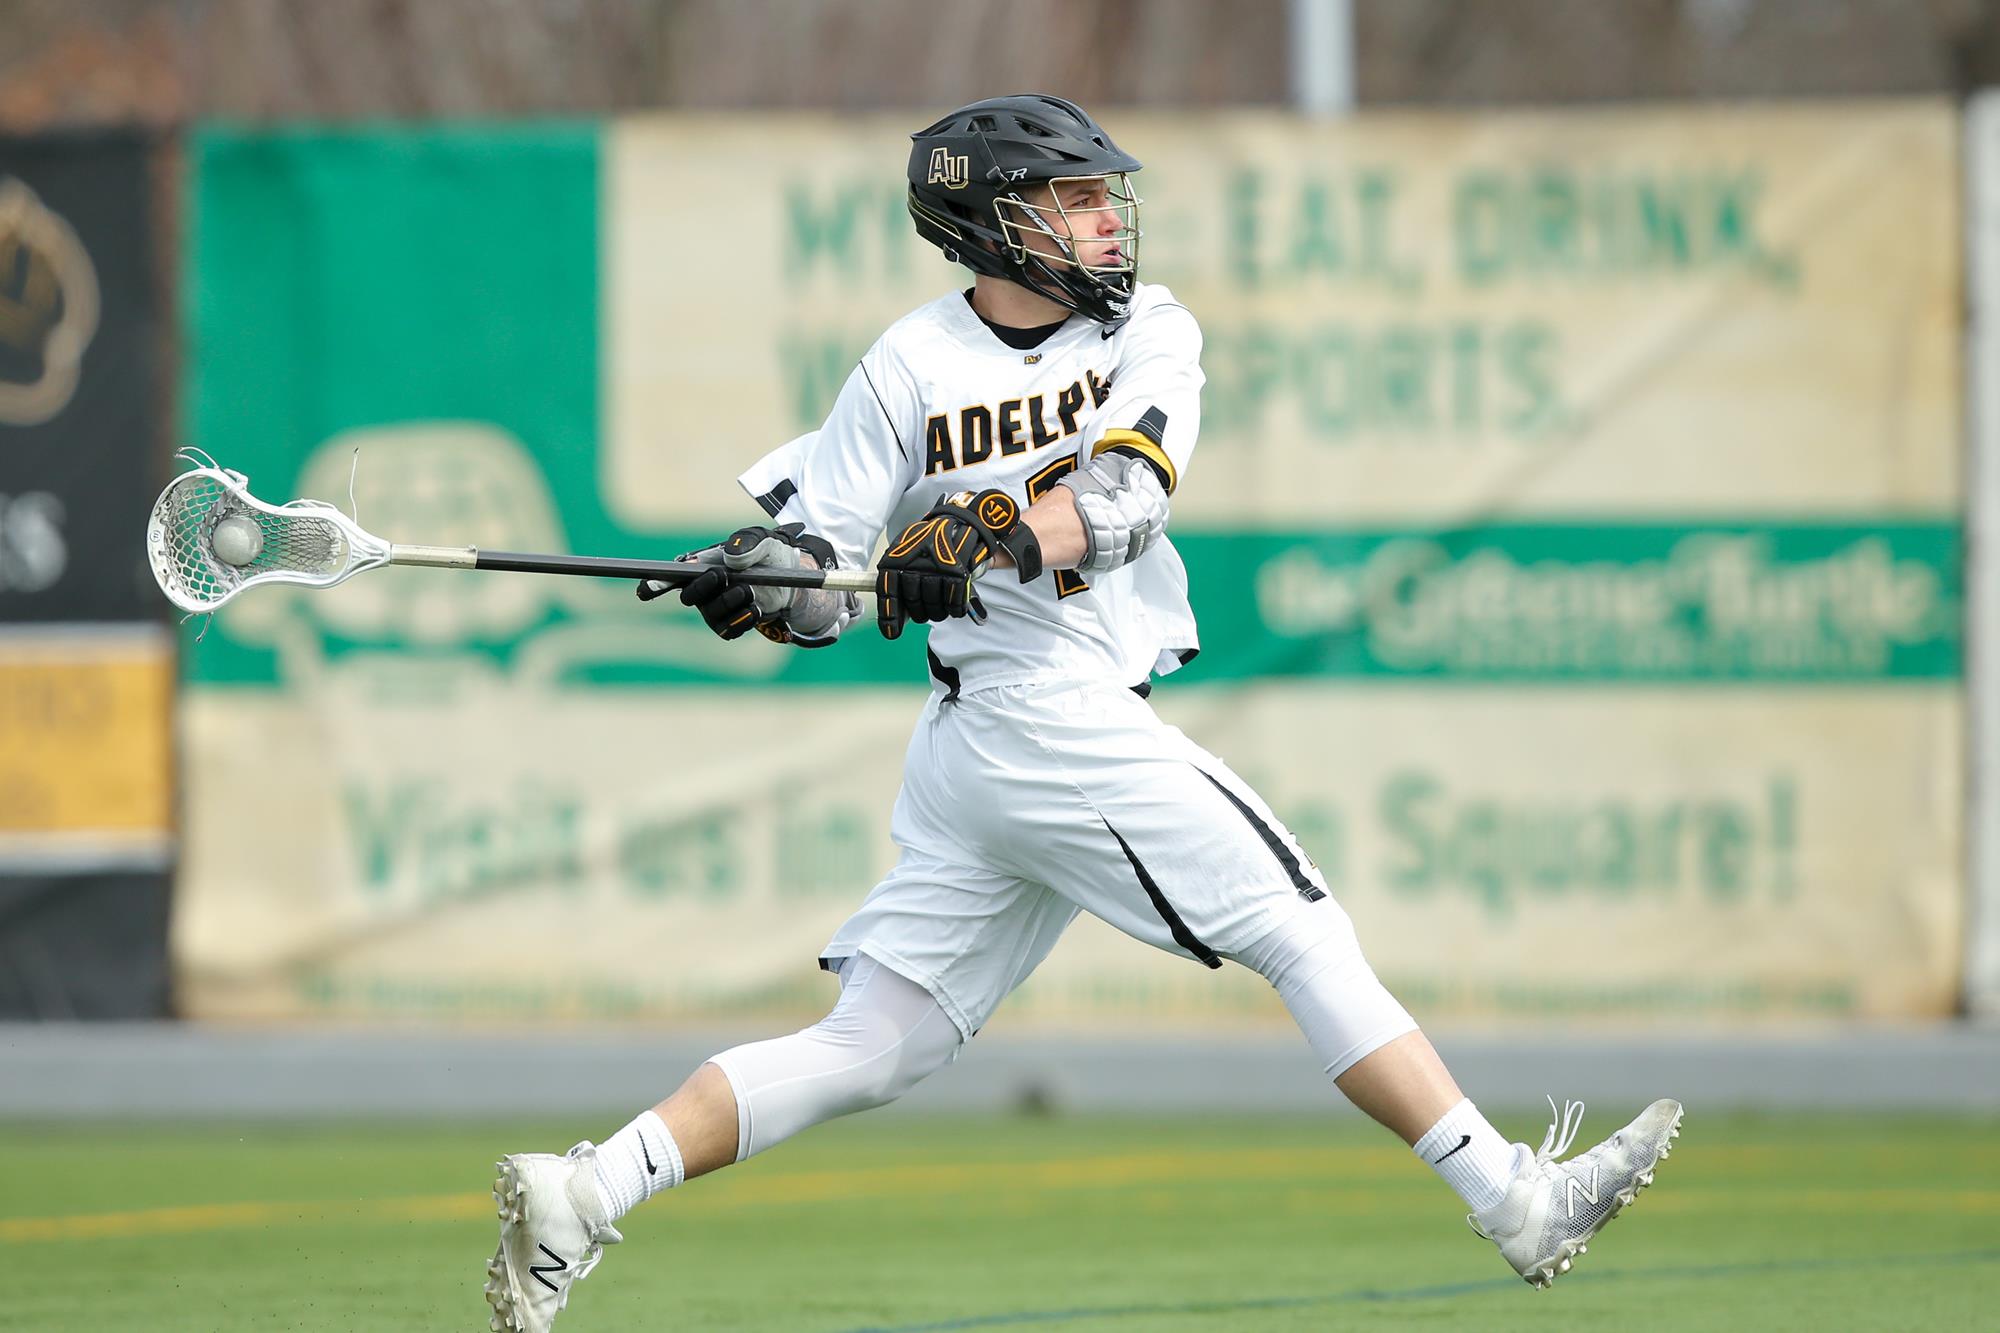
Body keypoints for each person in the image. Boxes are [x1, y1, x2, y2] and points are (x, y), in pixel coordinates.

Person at [482, 94, 1682, 1332]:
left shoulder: (1151, 331)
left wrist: (982, 529)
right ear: (989, 225)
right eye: (1072, 201)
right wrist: (763, 579)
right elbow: (828, 585)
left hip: (1002, 745)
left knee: (879, 1044)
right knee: (1299, 925)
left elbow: (1122, 504)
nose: (1108, 222)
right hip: (1033, 719)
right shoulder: (903, 366)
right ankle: (1510, 1200)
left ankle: (586, 1185)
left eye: (1108, 197)